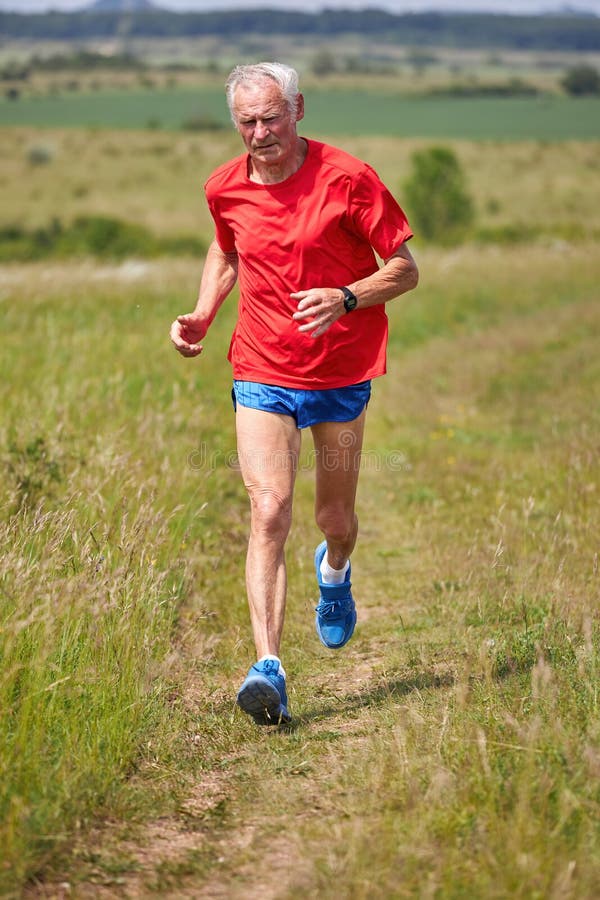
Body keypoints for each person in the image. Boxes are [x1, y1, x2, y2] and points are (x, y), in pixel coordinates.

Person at [170, 62, 418, 726]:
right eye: (246, 121)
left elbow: (404, 267)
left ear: (299, 108)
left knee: (333, 520)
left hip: (340, 370)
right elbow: (225, 252)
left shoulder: (348, 177)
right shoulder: (224, 187)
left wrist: (346, 297)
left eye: (271, 117)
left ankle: (334, 573)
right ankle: (269, 669)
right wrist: (202, 312)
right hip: (261, 367)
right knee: (269, 509)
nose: (259, 133)